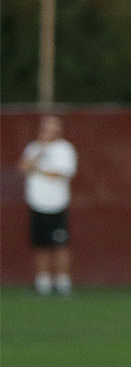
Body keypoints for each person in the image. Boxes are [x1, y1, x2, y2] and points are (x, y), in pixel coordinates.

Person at [17, 113, 76, 296]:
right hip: (37, 203)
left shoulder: (65, 149)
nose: (48, 130)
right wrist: (40, 150)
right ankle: (43, 283)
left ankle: (63, 282)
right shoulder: (34, 147)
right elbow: (23, 168)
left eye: (52, 126)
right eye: (46, 126)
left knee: (60, 245)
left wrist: (38, 169)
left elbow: (61, 173)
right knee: (40, 244)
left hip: (57, 204)